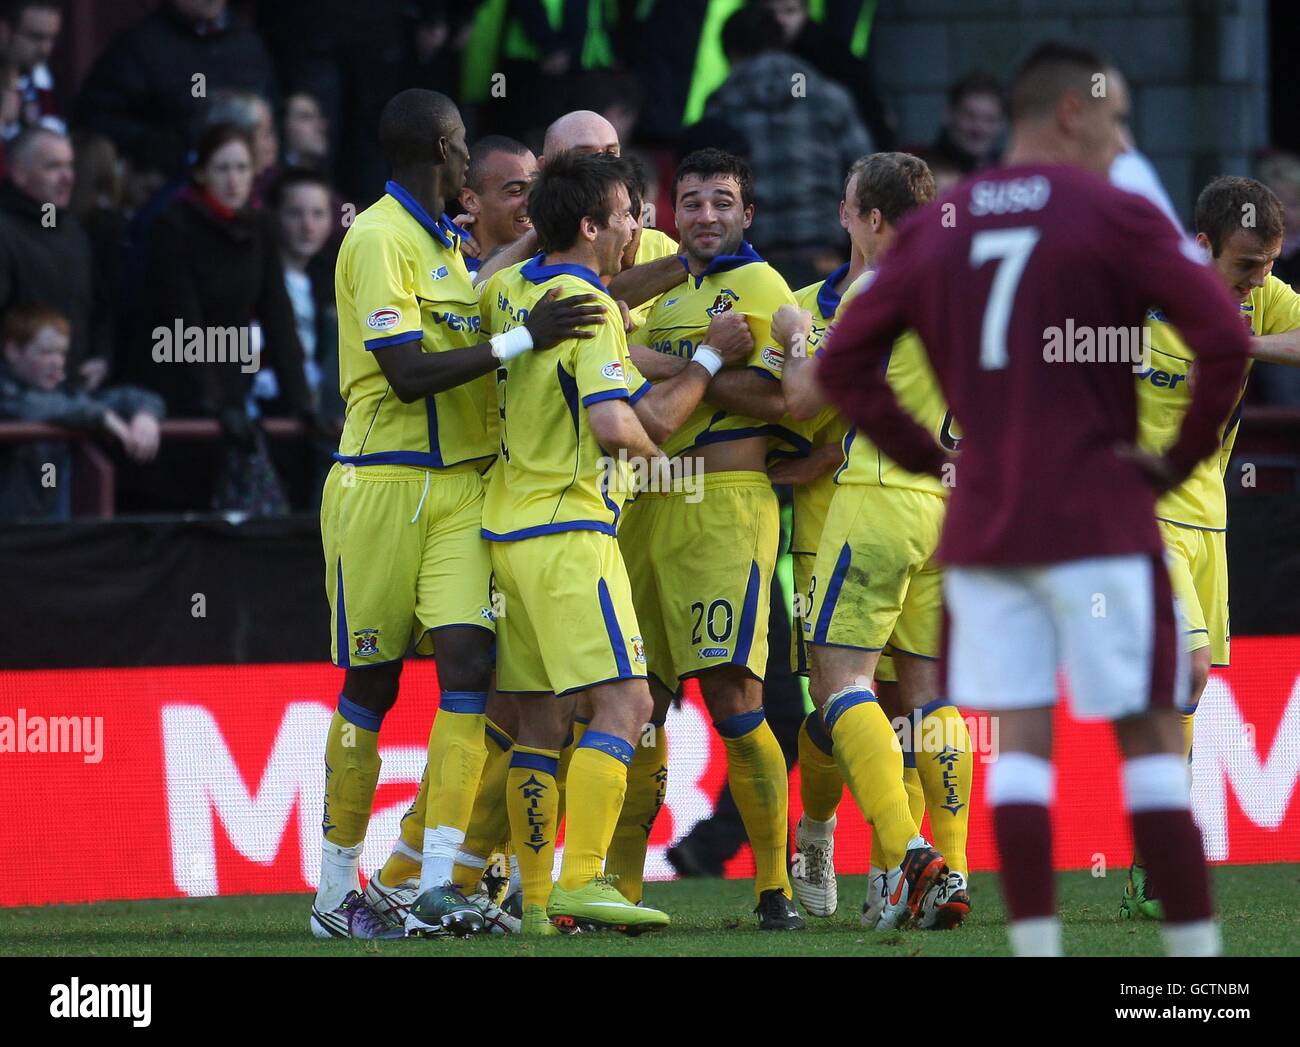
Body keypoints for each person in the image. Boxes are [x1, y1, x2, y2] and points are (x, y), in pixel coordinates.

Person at [816, 42, 1251, 957]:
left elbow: (846, 359)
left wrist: (922, 456)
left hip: (987, 518)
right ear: (1070, 113)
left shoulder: (947, 220)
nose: (1121, 137)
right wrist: (1170, 464)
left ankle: (1038, 949)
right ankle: (1197, 970)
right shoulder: (1113, 208)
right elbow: (1220, 335)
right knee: (1146, 739)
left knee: (1020, 746)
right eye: (1116, 119)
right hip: (1099, 510)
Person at [310, 88, 603, 940]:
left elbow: (513, 284)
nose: (466, 150)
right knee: (372, 681)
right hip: (382, 484)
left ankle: (436, 882)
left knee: (469, 668)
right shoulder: (374, 239)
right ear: (442, 147)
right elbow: (404, 371)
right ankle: (334, 893)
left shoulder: (442, 244)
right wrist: (524, 339)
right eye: (462, 141)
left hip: (460, 490)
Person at [477, 148, 752, 934]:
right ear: (593, 224)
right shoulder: (591, 306)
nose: (641, 226)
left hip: (508, 531)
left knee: (539, 717)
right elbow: (618, 424)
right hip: (570, 526)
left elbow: (487, 292)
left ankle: (532, 905)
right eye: (630, 213)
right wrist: (704, 360)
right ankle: (584, 878)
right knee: (628, 701)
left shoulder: (509, 293)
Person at [613, 147, 809, 930]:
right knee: (638, 702)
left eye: (721, 202)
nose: (704, 216)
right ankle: (619, 890)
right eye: (690, 202)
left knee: (735, 692)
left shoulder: (762, 287)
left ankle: (773, 889)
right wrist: (676, 355)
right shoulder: (662, 293)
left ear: (747, 214)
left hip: (725, 501)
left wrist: (660, 362)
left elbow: (776, 399)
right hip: (649, 502)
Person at [777, 152, 966, 931]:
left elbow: (802, 400)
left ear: (873, 219)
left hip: (877, 494)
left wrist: (794, 333)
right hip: (947, 503)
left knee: (841, 683)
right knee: (924, 699)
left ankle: (908, 852)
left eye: (848, 209)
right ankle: (953, 869)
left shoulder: (875, 285)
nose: (841, 219)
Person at [1121, 175, 1300, 918]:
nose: (1257, 279)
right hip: (1136, 517)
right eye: (1245, 265)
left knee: (1185, 686)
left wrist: (1246, 338)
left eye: (1267, 264)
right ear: (1199, 248)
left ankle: (1148, 855)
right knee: (1188, 668)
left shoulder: (1259, 298)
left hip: (1209, 521)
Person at [139, 122, 311, 513]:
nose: (234, 180)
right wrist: (212, 403)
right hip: (176, 372)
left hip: (233, 374)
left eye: (242, 168)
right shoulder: (174, 224)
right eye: (222, 169)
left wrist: (300, 398)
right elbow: (182, 320)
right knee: (185, 495)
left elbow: (277, 314)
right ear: (201, 173)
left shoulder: (260, 224)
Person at [703, 5, 871, 288]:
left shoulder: (721, 105)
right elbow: (866, 175)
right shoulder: (827, 95)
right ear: (782, 42)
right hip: (825, 260)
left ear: (731, 53)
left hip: (755, 267)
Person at [0, 302, 162, 520]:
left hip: (48, 531)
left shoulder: (64, 394)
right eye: (46, 352)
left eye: (62, 353)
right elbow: (26, 406)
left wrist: (146, 414)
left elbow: (128, 398)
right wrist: (101, 416)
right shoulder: (12, 395)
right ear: (12, 350)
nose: (57, 362)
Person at [76, 0, 278, 165]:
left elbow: (274, 111)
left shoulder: (248, 45)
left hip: (248, 187)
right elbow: (97, 116)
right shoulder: (140, 47)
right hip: (169, 188)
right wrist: (153, 144)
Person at [0, 127, 111, 392]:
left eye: (70, 165)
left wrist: (102, 357)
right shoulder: (5, 231)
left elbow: (99, 306)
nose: (68, 177)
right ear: (20, 173)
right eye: (53, 167)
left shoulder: (71, 230)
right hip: (17, 405)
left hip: (76, 392)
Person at [454, 135, 537, 276]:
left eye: (536, 188)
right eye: (516, 191)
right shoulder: (446, 269)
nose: (532, 201)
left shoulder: (556, 260)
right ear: (470, 201)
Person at [0, 0, 63, 133]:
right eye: (35, 37)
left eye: (51, 38)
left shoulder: (42, 76)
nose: (45, 49)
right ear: (4, 31)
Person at [928, 71, 1005, 174]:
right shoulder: (922, 172)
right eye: (970, 116)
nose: (979, 128)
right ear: (948, 115)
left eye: (989, 120)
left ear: (1002, 124)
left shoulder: (1007, 173)